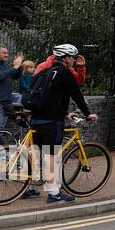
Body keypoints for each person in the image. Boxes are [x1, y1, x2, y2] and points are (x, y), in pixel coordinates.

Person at [30, 44, 97, 205]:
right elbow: (76, 95)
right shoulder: (64, 73)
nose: (74, 61)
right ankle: (53, 193)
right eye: (73, 58)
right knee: (51, 156)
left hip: (36, 119)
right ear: (66, 58)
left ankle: (31, 186)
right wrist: (88, 113)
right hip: (52, 122)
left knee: (38, 154)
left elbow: (48, 97)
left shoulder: (46, 72)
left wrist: (65, 113)